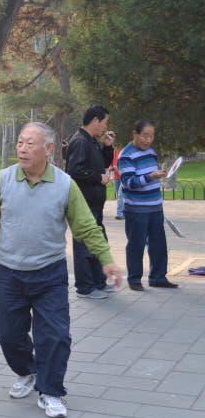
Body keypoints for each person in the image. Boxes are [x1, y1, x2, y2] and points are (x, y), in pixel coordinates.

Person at [0, 122, 122, 418]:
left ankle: (51, 390)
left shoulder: (65, 184)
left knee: (54, 335)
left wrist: (106, 258)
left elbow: (85, 227)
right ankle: (27, 371)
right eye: (20, 143)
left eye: (30, 143)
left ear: (49, 149)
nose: (23, 148)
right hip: (9, 274)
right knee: (8, 335)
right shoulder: (4, 180)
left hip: (49, 273)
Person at [117, 119, 178, 291]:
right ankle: (134, 279)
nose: (148, 140)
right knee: (136, 245)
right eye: (145, 135)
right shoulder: (126, 155)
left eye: (151, 136)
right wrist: (150, 176)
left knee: (159, 244)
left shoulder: (151, 151)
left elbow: (150, 174)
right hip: (136, 209)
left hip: (155, 207)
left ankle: (158, 277)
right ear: (135, 134)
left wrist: (159, 174)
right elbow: (128, 182)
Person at [64, 105, 115, 299]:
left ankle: (99, 283)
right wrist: (98, 178)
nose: (105, 126)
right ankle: (85, 287)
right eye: (104, 122)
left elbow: (102, 163)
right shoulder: (79, 142)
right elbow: (74, 171)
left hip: (94, 203)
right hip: (83, 203)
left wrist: (108, 146)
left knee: (97, 243)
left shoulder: (91, 141)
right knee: (84, 246)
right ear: (95, 120)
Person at [111, 143, 125, 220]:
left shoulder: (125, 150)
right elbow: (112, 161)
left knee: (121, 194)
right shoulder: (115, 150)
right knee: (119, 194)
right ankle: (124, 211)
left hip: (123, 175)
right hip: (116, 176)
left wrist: (118, 168)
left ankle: (119, 213)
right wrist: (111, 167)